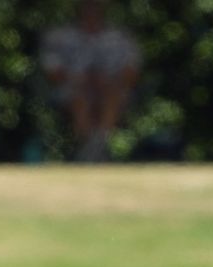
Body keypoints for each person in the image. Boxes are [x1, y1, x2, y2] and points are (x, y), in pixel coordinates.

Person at [39, 0, 142, 162]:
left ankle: (92, 151)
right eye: (87, 5)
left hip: (112, 90)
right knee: (80, 97)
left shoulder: (120, 37)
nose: (91, 9)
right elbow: (52, 71)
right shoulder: (60, 37)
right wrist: (81, 81)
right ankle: (96, 151)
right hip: (72, 90)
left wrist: (108, 82)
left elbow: (132, 71)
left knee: (112, 96)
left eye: (96, 5)